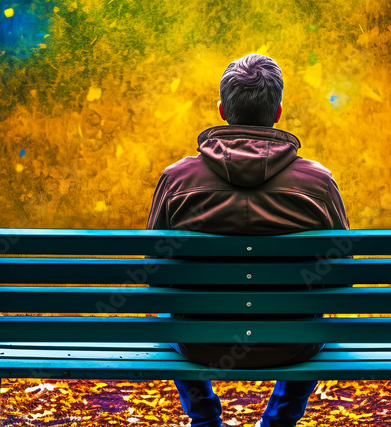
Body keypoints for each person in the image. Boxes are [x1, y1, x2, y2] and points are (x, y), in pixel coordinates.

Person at [146, 53, 349, 427]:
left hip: (198, 341)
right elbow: (341, 275)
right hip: (294, 343)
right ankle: (279, 420)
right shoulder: (318, 183)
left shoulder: (177, 180)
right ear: (278, 111)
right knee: (323, 309)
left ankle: (204, 415)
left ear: (223, 110)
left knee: (163, 310)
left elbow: (154, 273)